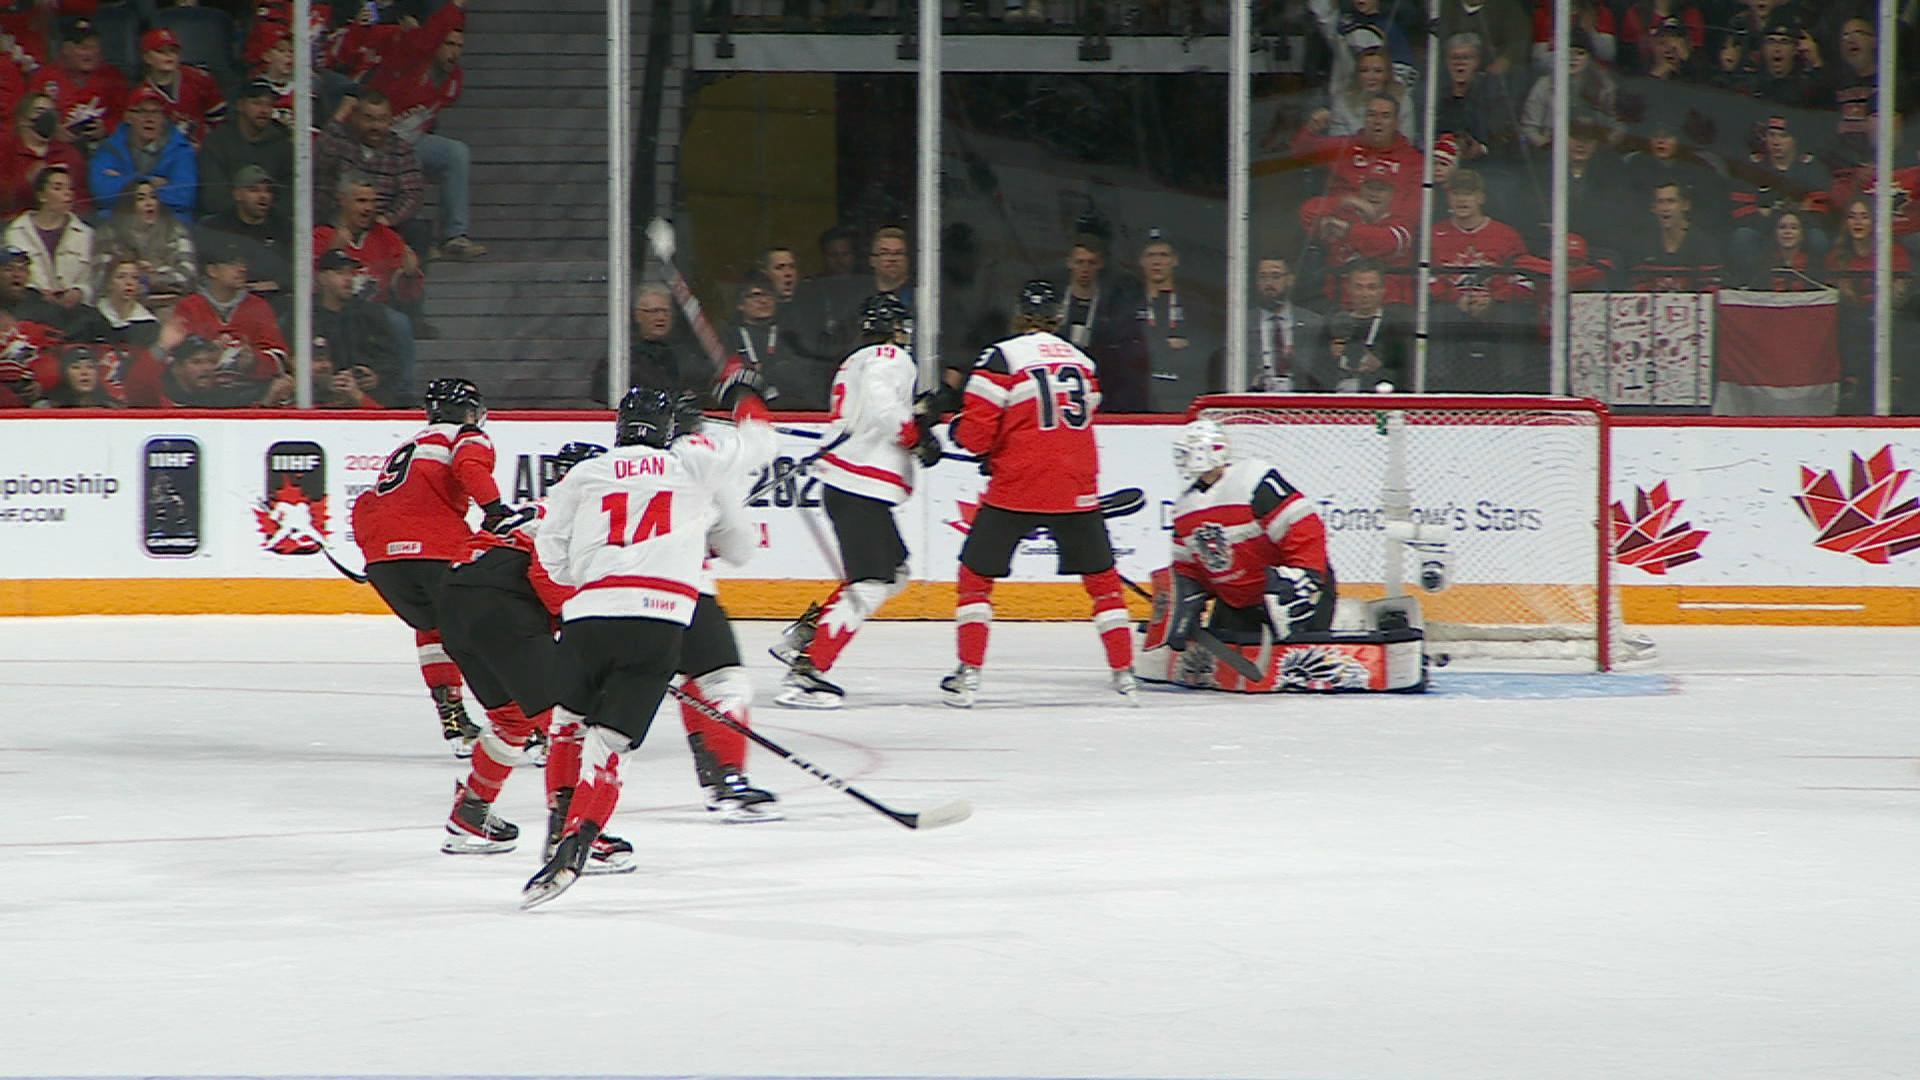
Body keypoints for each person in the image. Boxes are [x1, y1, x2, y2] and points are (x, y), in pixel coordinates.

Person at [523, 386, 773, 908]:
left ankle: (556, 830)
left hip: (590, 615)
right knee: (612, 743)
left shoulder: (586, 473)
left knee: (569, 724)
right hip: (661, 618)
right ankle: (581, 841)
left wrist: (592, 578)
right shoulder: (693, 465)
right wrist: (749, 407)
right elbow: (755, 452)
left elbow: (552, 553)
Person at [435, 440, 634, 873]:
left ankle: (471, 815)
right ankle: (571, 836)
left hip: (454, 603)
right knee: (567, 720)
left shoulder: (535, 508)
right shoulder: (579, 516)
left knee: (512, 719)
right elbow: (546, 576)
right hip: (502, 608)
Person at [941, 280, 1136, 709]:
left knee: (975, 577)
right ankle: (1125, 675)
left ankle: (968, 676)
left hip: (1018, 483)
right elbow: (1081, 412)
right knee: (1103, 582)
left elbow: (975, 435)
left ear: (1019, 314)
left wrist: (962, 433)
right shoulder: (1082, 360)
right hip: (1076, 484)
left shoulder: (1001, 356)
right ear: (1058, 316)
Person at [773, 294, 941, 709]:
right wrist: (915, 435)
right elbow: (881, 403)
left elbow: (872, 406)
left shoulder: (855, 360)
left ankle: (804, 636)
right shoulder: (889, 356)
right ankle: (807, 672)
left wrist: (917, 415)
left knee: (894, 573)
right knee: (870, 583)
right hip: (860, 483)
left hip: (850, 483)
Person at [347, 378, 521, 756]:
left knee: (432, 628)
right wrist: (494, 511)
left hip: (383, 562)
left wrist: (380, 553)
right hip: (436, 550)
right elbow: (470, 466)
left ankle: (454, 720)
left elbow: (366, 506)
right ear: (470, 412)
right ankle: (522, 720)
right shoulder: (464, 435)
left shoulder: (407, 446)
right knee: (488, 627)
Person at [1165, 418, 1336, 658]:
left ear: (1207, 451)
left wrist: (1305, 578)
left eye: (1187, 452)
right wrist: (1185, 604)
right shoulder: (1184, 508)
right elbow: (1188, 569)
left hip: (1292, 592)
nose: (1181, 459)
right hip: (1238, 602)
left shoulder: (1252, 480)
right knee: (1219, 661)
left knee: (1296, 661)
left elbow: (1304, 527)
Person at [87, 86, 197, 222]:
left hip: (166, 224)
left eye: (156, 112)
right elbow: (101, 192)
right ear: (128, 117)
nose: (149, 119)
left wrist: (124, 181)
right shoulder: (110, 148)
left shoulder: (181, 150)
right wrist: (148, 181)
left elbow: (183, 197)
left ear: (164, 118)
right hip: (122, 224)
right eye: (142, 111)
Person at [196, 80, 294, 226]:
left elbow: (288, 196)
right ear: (240, 105)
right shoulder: (216, 142)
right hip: (225, 224)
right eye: (257, 103)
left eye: (269, 105)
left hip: (271, 225)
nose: (264, 110)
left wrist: (265, 219)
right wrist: (245, 217)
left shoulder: (283, 146)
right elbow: (213, 196)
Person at [312, 248, 402, 403]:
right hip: (319, 401)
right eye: (340, 273)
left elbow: (392, 358)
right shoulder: (306, 316)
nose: (348, 279)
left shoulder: (370, 313)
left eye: (351, 273)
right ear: (322, 278)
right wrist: (324, 382)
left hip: (367, 400)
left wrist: (377, 376)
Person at [91, 179, 196, 303]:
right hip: (124, 305)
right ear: (128, 205)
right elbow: (101, 281)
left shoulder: (175, 230)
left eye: (153, 197)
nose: (149, 203)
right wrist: (139, 275)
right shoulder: (108, 234)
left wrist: (147, 279)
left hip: (170, 305)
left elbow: (188, 276)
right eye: (141, 199)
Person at [4, 165, 91, 305]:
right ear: (41, 196)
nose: (67, 193)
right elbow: (10, 277)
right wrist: (36, 294)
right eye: (58, 188)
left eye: (70, 189)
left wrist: (79, 292)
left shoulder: (85, 234)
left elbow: (91, 279)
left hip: (74, 310)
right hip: (29, 307)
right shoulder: (16, 232)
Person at [1, 92, 91, 218]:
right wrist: (26, 182)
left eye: (52, 112)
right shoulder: (5, 152)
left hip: (62, 223)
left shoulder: (69, 154)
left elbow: (83, 202)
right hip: (13, 224)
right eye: (40, 111)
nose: (47, 116)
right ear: (22, 120)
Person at [1249, 255, 1329, 391]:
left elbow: (1323, 373)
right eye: (1263, 277)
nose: (1269, 283)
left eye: (1276, 276)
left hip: (1300, 398)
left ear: (1290, 280)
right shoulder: (1243, 323)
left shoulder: (1314, 323)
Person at [132, 28, 224, 146]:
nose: (169, 56)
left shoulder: (200, 79)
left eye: (173, 51)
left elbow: (219, 120)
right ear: (147, 57)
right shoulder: (141, 94)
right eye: (161, 51)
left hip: (204, 150)